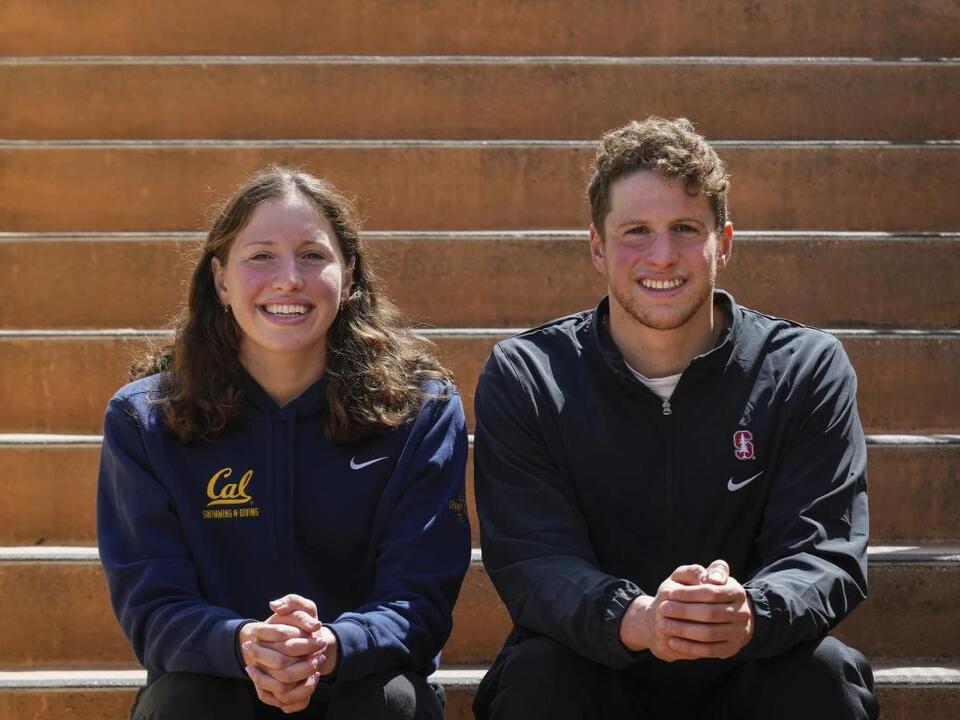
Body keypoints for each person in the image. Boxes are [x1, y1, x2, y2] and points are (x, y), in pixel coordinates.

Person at [472, 117, 878, 719]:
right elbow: (532, 557)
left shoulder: (803, 368)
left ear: (725, 242)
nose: (662, 254)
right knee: (539, 678)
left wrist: (750, 611)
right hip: (598, 664)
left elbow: (826, 549)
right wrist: (635, 618)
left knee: (825, 676)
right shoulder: (529, 374)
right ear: (596, 246)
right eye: (636, 230)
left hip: (751, 662)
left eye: (685, 228)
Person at [97, 167, 471, 720]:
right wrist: (242, 642)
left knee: (391, 703)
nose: (289, 279)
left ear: (349, 277)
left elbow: (419, 597)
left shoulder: (422, 409)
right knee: (185, 702)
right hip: (213, 681)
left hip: (360, 679)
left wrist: (332, 647)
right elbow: (154, 606)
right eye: (261, 256)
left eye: (314, 256)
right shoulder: (145, 419)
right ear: (221, 280)